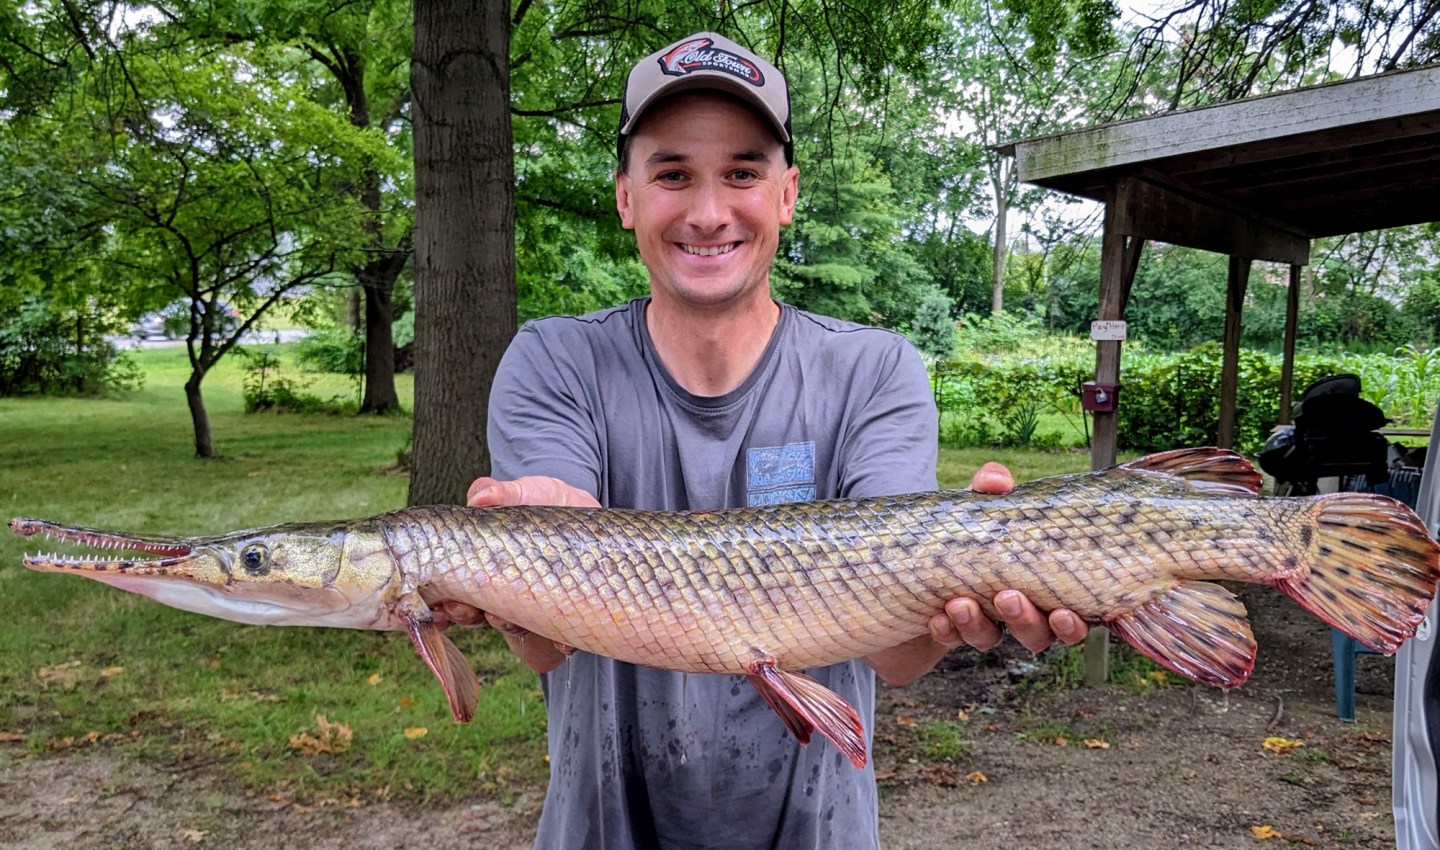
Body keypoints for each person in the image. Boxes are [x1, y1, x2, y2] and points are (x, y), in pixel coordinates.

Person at [462, 32, 1089, 849]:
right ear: (625, 197)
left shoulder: (872, 369)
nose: (709, 210)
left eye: (744, 172)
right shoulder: (556, 360)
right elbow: (548, 646)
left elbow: (895, 659)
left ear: (787, 193)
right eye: (673, 173)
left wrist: (961, 598)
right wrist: (528, 566)